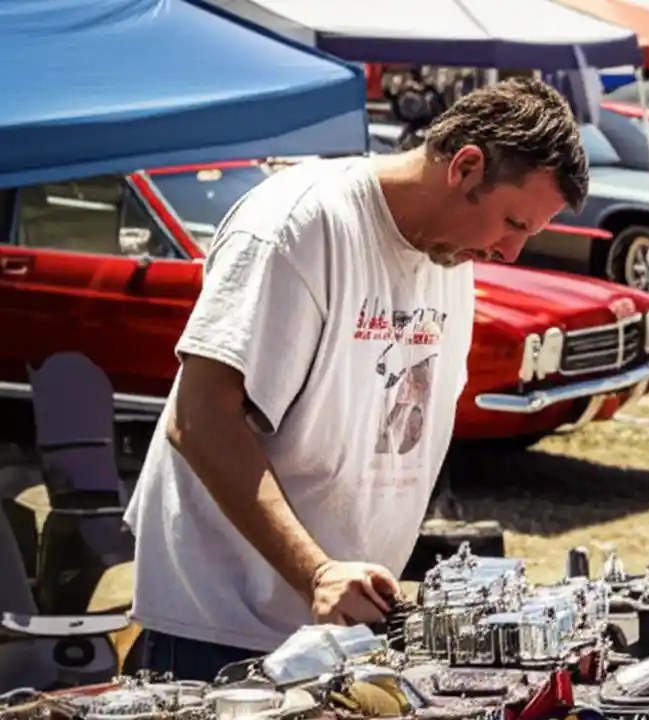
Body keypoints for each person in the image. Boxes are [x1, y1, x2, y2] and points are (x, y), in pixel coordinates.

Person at [122, 77, 589, 680]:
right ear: (467, 168)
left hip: (344, 631)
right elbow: (200, 416)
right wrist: (316, 571)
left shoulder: (450, 255)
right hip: (224, 627)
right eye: (512, 223)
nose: (513, 252)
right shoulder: (297, 227)